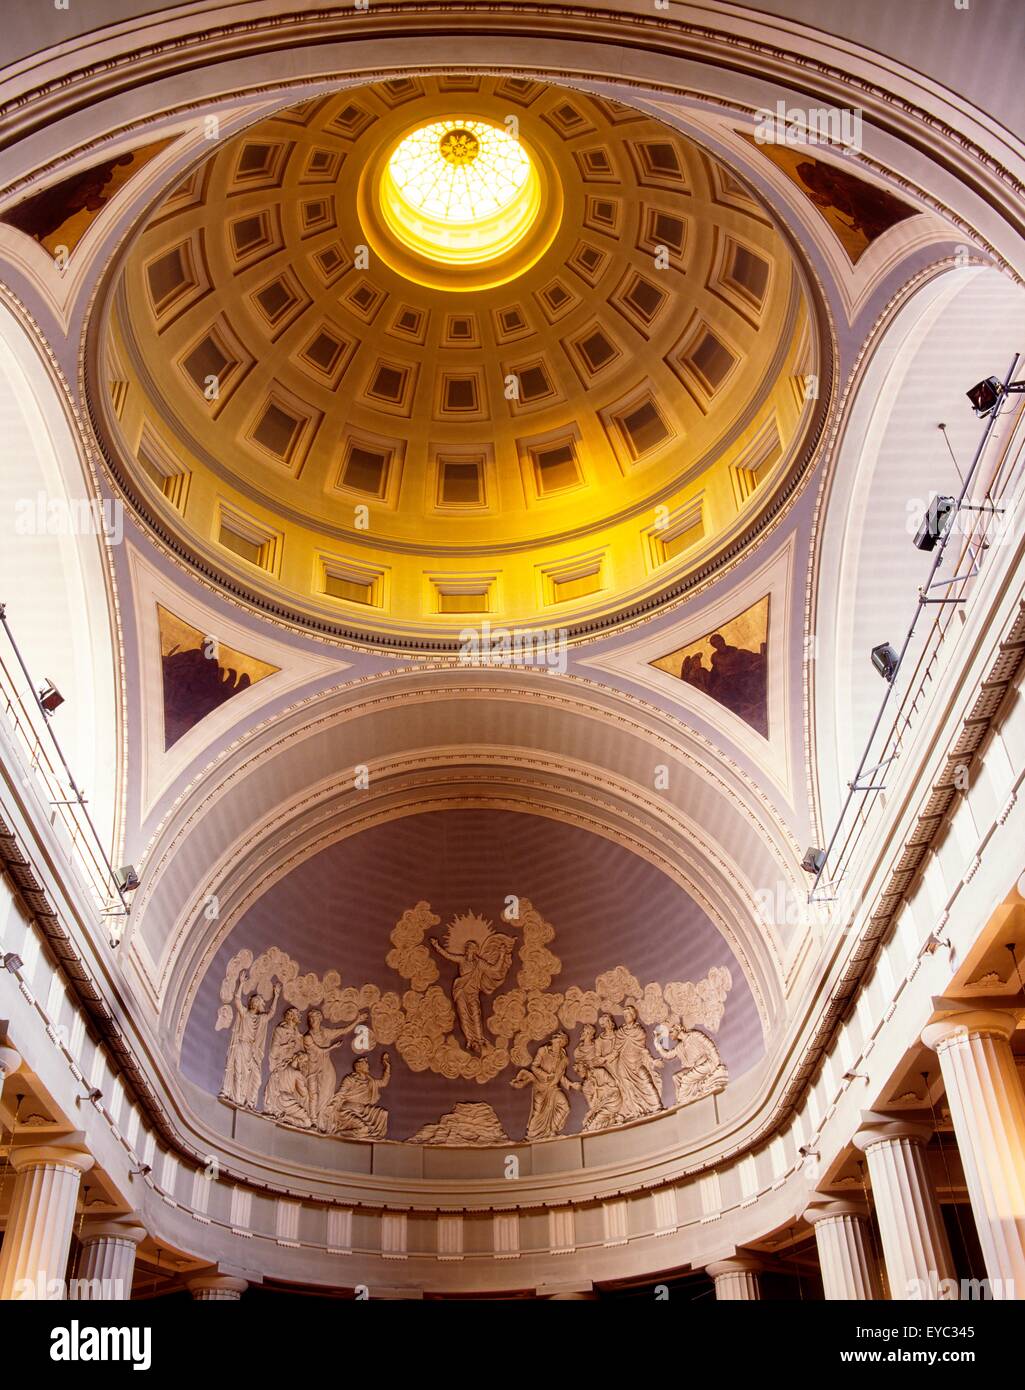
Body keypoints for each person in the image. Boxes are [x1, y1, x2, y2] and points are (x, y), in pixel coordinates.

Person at [220, 973, 280, 1109]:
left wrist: (276, 996)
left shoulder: (261, 1019)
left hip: (253, 1052)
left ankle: (250, 1102)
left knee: (257, 1079)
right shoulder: (245, 1013)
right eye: (254, 1001)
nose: (255, 1003)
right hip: (242, 1046)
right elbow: (237, 1000)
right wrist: (241, 983)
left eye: (258, 1002)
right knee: (239, 1072)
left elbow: (271, 1013)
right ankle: (237, 1099)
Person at [302, 1008, 367, 1132]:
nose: (312, 1021)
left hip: (326, 1066)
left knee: (327, 1091)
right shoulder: (307, 1037)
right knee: (314, 1094)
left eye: (315, 1018)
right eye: (310, 1019)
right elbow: (318, 1050)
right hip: (312, 1067)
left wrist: (357, 1020)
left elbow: (342, 1030)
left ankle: (323, 1120)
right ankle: (313, 1121)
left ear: (320, 1020)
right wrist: (332, 1046)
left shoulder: (325, 1032)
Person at [512, 1032, 576, 1140]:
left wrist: (570, 1084)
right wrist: (545, 1075)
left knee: (565, 1107)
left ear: (562, 1043)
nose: (556, 1043)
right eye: (556, 1040)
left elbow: (560, 1075)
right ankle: (531, 1136)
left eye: (559, 1041)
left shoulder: (563, 1058)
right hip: (540, 1086)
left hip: (553, 1088)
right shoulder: (543, 1051)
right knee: (538, 1112)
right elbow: (534, 1067)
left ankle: (552, 1130)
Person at [655, 1024, 729, 1106]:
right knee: (676, 1077)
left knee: (686, 1079)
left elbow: (710, 1046)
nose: (669, 1034)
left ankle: (682, 1102)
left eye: (671, 1031)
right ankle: (682, 1099)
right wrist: (659, 1047)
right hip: (695, 1067)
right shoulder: (680, 1047)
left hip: (707, 1064)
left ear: (679, 1029)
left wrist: (716, 1063)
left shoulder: (695, 1035)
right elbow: (668, 1055)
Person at [263, 1006, 311, 1128]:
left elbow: (301, 1050)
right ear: (290, 1016)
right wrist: (286, 1045)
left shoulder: (297, 1034)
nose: (299, 1018)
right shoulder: (280, 1030)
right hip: (282, 1065)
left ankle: (283, 1114)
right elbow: (274, 1051)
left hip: (292, 1068)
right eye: (297, 1015)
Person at [324, 1054, 391, 1140]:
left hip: (364, 1110)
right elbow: (340, 1094)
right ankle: (339, 1134)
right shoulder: (350, 1079)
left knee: (383, 1113)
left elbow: (383, 1082)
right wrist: (331, 1106)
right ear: (360, 1067)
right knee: (364, 1129)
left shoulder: (370, 1081)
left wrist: (387, 1067)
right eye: (366, 1064)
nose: (368, 1066)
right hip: (349, 1110)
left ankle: (374, 1136)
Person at [573, 1023, 622, 1131]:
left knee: (591, 1127)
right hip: (601, 1107)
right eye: (577, 1071)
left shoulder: (600, 1071)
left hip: (612, 1101)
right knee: (590, 1128)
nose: (578, 1072)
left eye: (585, 1032)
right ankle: (612, 1119)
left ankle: (613, 1117)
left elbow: (614, 1087)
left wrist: (602, 1090)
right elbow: (592, 1105)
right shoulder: (586, 1086)